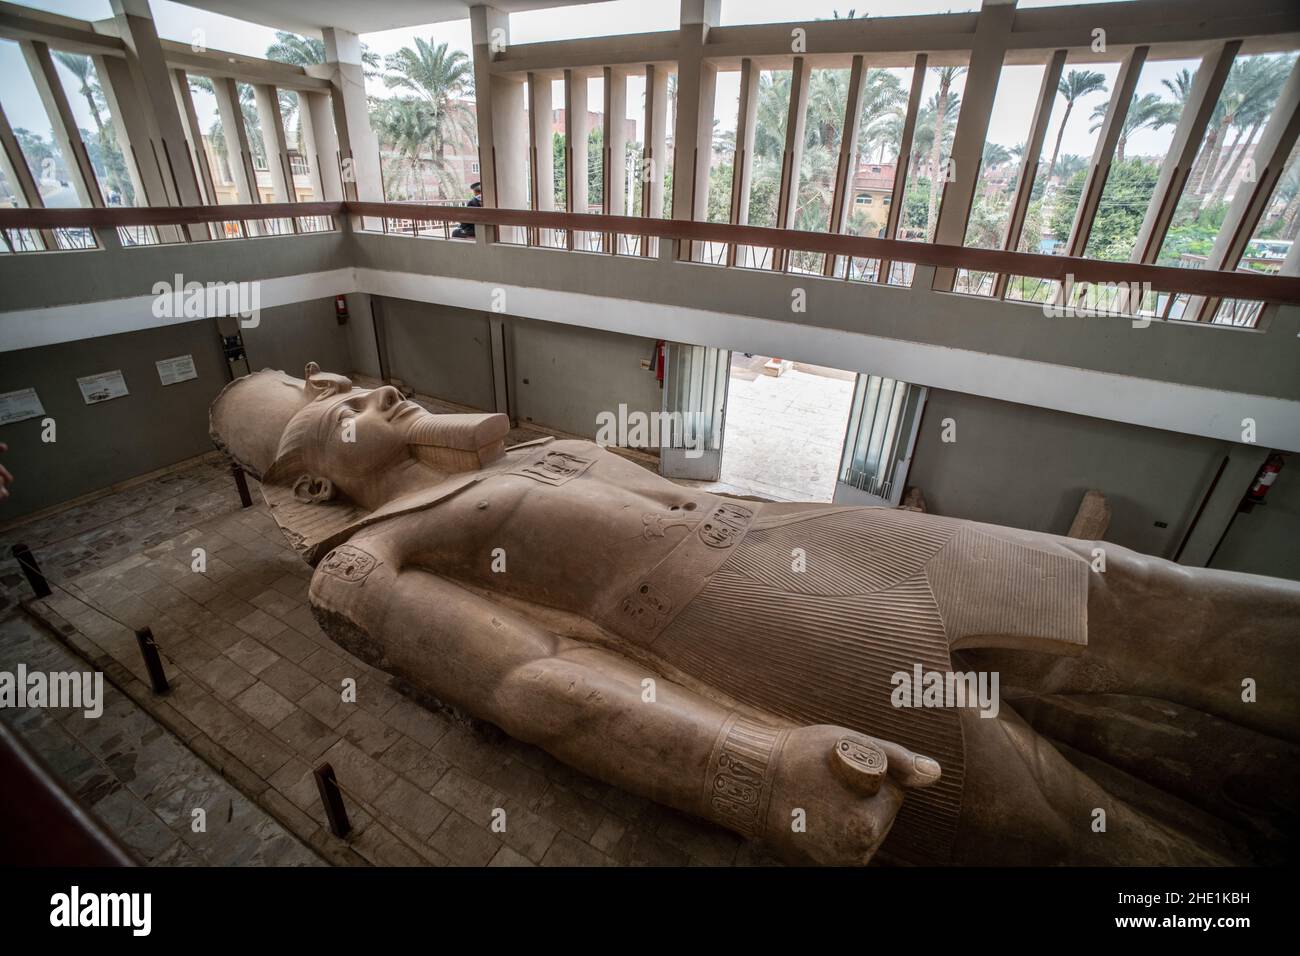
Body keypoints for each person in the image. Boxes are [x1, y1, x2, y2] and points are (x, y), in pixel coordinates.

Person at [210, 365, 1300, 866]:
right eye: (332, 408)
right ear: (310, 488)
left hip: (819, 537)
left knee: (1135, 592)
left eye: (350, 377)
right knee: (1064, 819)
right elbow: (524, 678)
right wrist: (757, 768)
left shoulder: (528, 445)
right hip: (754, 630)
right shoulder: (367, 562)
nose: (367, 392)